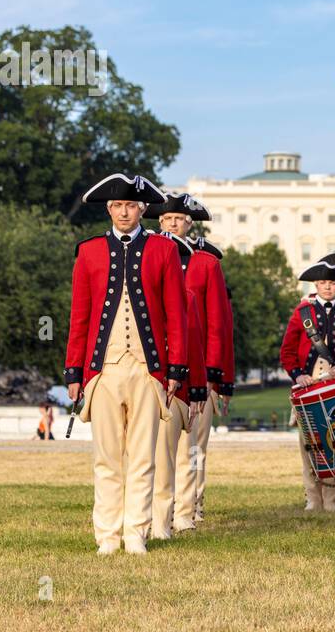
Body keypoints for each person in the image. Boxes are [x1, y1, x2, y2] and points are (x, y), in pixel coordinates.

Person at [64, 174, 188, 555]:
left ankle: (136, 533)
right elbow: (80, 316)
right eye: (117, 206)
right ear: (108, 209)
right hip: (103, 370)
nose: (123, 212)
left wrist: (176, 370)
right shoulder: (88, 252)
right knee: (106, 457)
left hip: (147, 370)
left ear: (143, 209)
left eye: (131, 205)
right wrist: (73, 372)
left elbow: (175, 315)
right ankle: (107, 535)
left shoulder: (164, 251)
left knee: (142, 456)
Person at [147, 192, 234, 530]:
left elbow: (218, 323)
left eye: (180, 219)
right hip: (160, 366)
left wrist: (216, 375)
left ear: (189, 223)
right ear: (160, 223)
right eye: (168, 219)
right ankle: (160, 511)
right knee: (157, 448)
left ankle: (187, 509)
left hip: (199, 370)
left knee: (193, 449)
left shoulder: (205, 264)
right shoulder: (150, 259)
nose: (173, 224)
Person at [281, 258, 335, 511]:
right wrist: (297, 375)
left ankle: (333, 499)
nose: (327, 287)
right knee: (309, 443)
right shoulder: (302, 312)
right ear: (316, 284)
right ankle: (313, 498)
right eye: (323, 282)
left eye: (332, 283)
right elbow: (288, 351)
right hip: (309, 384)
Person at [151, 232, 209, 540]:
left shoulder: (187, 298)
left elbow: (194, 342)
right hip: (141, 384)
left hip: (173, 390)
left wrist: (198, 387)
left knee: (165, 459)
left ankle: (163, 522)